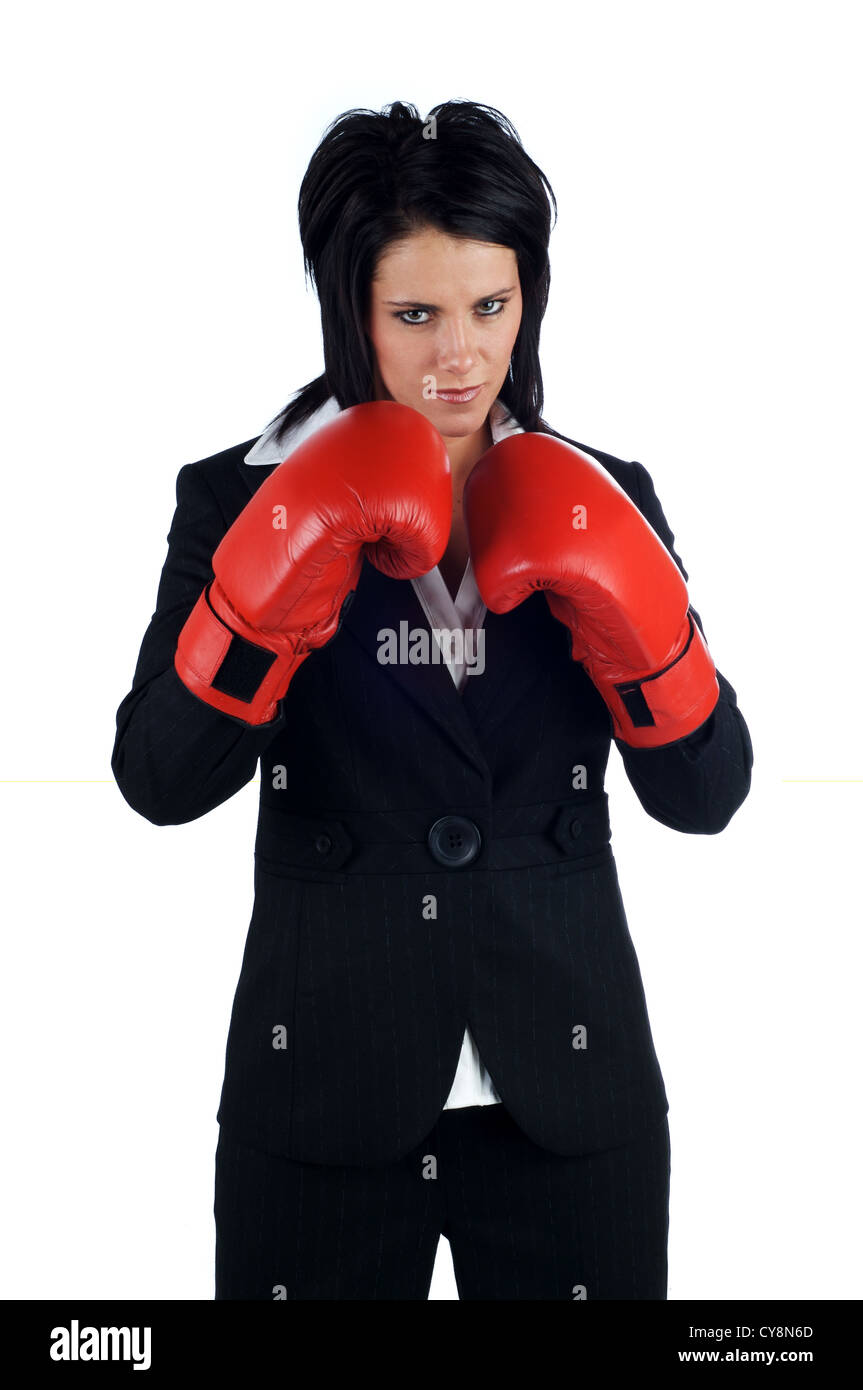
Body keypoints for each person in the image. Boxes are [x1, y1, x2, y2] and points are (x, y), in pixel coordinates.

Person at [111, 99, 753, 1301]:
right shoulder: (230, 496)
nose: (458, 355)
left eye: (489, 308)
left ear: (529, 301)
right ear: (348, 309)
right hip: (320, 1099)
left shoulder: (606, 494)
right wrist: (262, 601)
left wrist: (642, 637)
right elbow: (158, 780)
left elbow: (705, 794)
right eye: (414, 314)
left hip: (569, 1095)